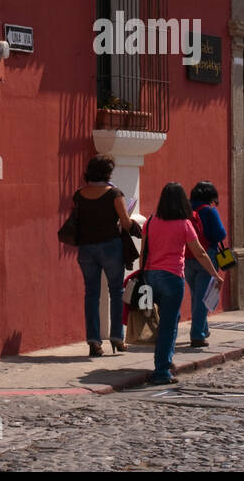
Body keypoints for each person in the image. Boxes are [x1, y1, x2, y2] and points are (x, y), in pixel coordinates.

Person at [141, 182, 223, 385]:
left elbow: (144, 251)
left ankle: (164, 360)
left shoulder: (150, 221)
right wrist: (215, 274)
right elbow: (200, 253)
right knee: (169, 324)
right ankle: (161, 370)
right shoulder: (184, 224)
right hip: (172, 277)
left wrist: (142, 275)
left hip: (150, 276)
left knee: (165, 319)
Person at [73, 154, 136, 356]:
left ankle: (93, 341)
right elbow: (125, 223)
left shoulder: (79, 194)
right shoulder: (114, 193)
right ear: (107, 172)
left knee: (91, 293)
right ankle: (117, 337)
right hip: (110, 246)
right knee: (115, 291)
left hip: (86, 248)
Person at [184, 181, 227, 348]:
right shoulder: (208, 211)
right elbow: (220, 234)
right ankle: (197, 335)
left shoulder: (185, 210)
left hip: (187, 256)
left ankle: (203, 328)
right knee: (203, 297)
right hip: (206, 256)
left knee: (196, 295)